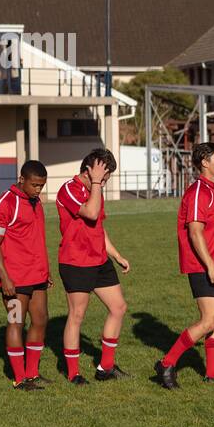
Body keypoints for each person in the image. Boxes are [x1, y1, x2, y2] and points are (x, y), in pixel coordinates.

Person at [155, 143, 214, 390]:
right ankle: (166, 363)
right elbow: (195, 234)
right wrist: (211, 267)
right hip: (202, 266)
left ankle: (212, 373)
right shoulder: (198, 192)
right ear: (205, 162)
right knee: (208, 320)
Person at [55, 148, 131, 384]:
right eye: (104, 177)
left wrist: (116, 255)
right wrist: (97, 182)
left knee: (118, 307)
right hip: (75, 262)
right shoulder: (68, 189)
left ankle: (105, 367)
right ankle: (73, 373)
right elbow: (90, 212)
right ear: (90, 172)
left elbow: (98, 226)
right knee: (77, 315)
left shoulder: (95, 190)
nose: (105, 183)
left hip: (99, 260)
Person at [0, 160, 52, 390]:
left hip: (37, 276)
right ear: (21, 179)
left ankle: (32, 373)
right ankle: (19, 378)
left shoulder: (37, 204)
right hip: (15, 278)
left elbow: (37, 240)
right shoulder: (5, 204)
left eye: (42, 186)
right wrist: (4, 277)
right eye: (35, 185)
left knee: (41, 320)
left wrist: (46, 270)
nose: (38, 190)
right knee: (16, 322)